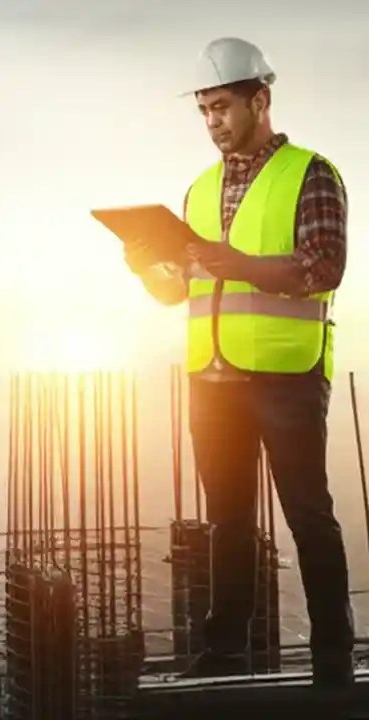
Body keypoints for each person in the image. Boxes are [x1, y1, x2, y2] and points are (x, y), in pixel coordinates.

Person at [125, 37, 354, 688]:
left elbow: (324, 266)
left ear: (261, 99)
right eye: (204, 111)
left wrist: (242, 265)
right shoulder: (198, 192)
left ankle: (332, 661)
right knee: (227, 521)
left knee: (309, 516)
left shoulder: (311, 173)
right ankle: (224, 652)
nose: (213, 121)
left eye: (222, 106)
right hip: (213, 379)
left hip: (285, 375)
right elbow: (179, 290)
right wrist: (147, 266)